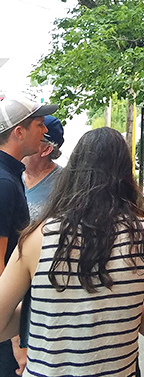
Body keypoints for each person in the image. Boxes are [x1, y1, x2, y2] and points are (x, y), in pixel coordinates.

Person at [0, 126, 144, 377]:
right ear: (126, 175)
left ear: (73, 173)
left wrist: (48, 311)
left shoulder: (37, 237)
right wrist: (126, 298)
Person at [0, 94, 57, 377]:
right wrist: (16, 338)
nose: (45, 131)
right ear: (18, 132)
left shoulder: (11, 177)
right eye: (38, 124)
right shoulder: (4, 183)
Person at [22, 117, 64, 221]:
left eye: (29, 138)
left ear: (46, 149)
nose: (20, 142)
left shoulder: (65, 183)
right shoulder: (10, 174)